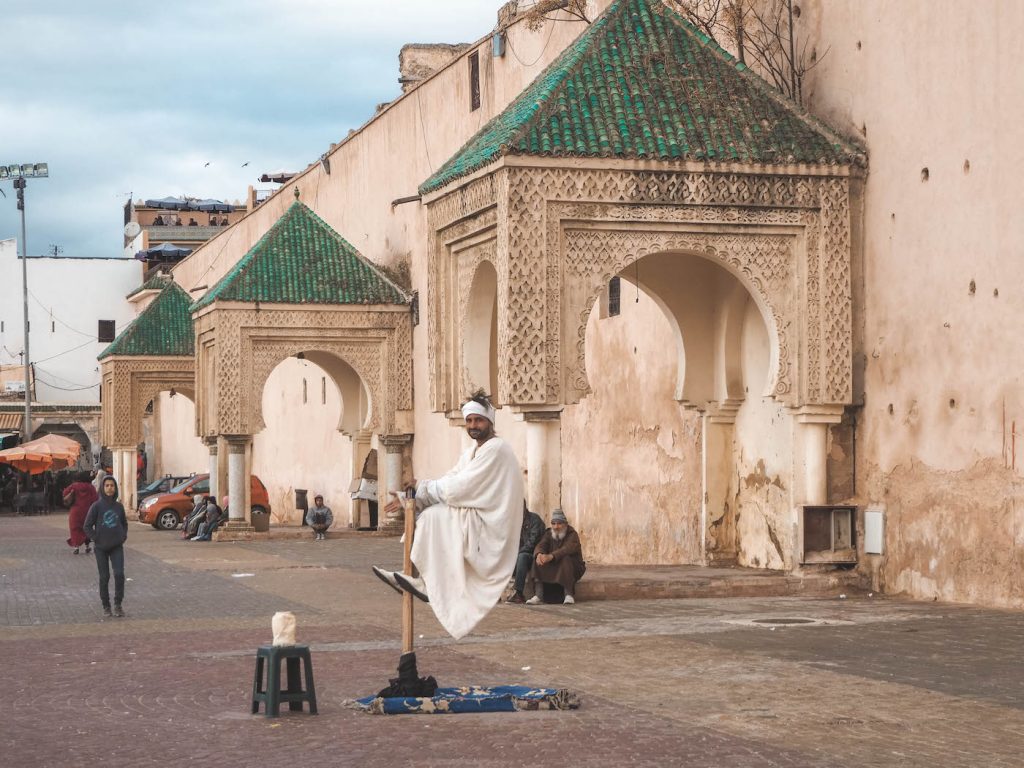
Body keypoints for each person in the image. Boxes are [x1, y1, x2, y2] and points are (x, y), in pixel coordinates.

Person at [372, 392, 524, 639]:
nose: (473, 426)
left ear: (490, 422)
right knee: (432, 516)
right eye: (470, 421)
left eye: (479, 421)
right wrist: (414, 494)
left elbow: (460, 489)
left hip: (489, 527)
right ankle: (423, 581)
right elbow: (451, 478)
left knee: (434, 517)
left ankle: (424, 583)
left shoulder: (497, 449)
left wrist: (423, 491)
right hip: (475, 517)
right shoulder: (472, 452)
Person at [84, 476, 128, 618]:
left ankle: (118, 604)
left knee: (119, 574)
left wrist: (123, 536)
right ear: (103, 488)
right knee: (104, 577)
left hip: (116, 546)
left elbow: (124, 523)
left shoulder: (119, 507)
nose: (110, 488)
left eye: (112, 486)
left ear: (115, 488)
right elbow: (87, 526)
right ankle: (106, 606)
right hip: (101, 548)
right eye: (107, 485)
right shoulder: (96, 506)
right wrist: (96, 537)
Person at [527, 509, 586, 605]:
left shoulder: (572, 534)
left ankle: (569, 595)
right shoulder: (549, 533)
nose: (556, 527)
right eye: (553, 523)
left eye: (559, 524)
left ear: (565, 524)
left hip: (573, 566)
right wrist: (539, 554)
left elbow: (567, 549)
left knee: (565, 559)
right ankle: (538, 595)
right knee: (537, 560)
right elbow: (541, 545)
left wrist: (551, 556)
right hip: (555, 563)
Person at [506, 502, 545, 604]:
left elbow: (532, 542)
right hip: (520, 554)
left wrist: (516, 554)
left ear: (523, 507)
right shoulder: (514, 522)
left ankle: (518, 593)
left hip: (535, 555)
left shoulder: (534, 519)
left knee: (522, 557)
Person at [63, 471, 98, 555]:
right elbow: (96, 499)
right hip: (88, 511)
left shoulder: (74, 486)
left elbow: (64, 493)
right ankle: (87, 547)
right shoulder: (91, 487)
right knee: (87, 528)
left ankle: (76, 547)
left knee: (75, 529)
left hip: (75, 511)